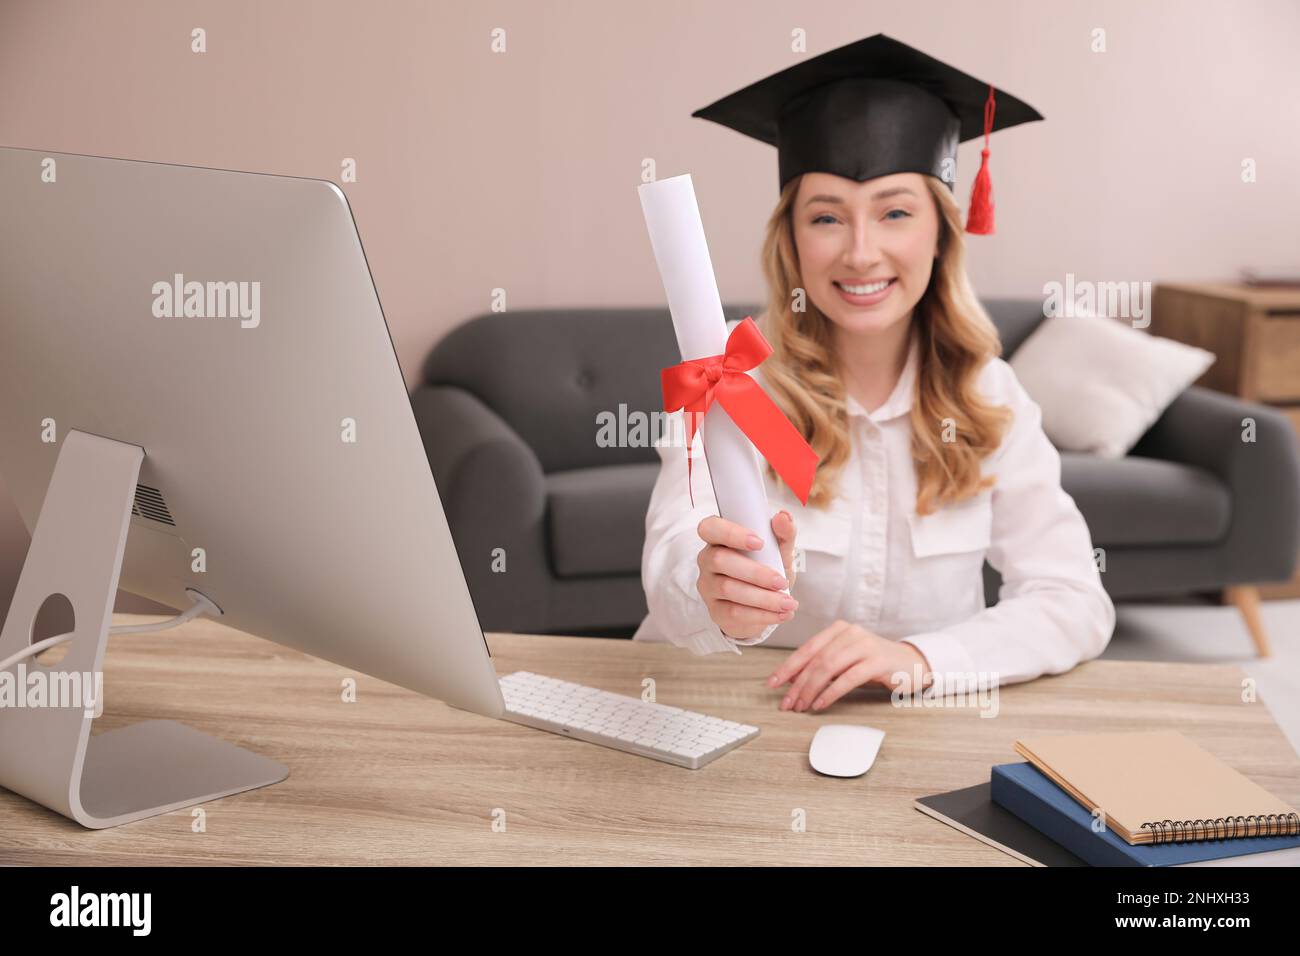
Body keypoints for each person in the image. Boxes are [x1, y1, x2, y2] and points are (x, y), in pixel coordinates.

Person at [632, 34, 1115, 712]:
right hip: (728, 718)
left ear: (942, 232)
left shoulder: (988, 398)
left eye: (895, 212)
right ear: (792, 242)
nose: (861, 253)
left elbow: (1072, 599)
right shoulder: (733, 389)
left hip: (910, 738)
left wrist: (923, 657)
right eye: (827, 217)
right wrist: (713, 596)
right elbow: (671, 555)